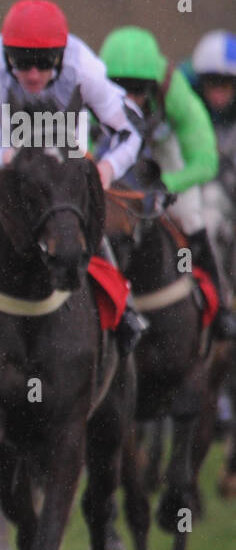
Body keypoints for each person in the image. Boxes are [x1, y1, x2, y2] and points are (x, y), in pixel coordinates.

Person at [0, 0, 147, 350]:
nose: (34, 74)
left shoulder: (84, 67)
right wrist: (9, 157)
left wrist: (105, 168)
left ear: (62, 57)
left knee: (81, 212)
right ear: (7, 58)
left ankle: (125, 310)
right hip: (10, 143)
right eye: (23, 64)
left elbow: (131, 130)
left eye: (44, 63)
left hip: (65, 138)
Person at [98, 26, 236, 339]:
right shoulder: (90, 90)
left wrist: (165, 185)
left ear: (155, 85)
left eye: (137, 88)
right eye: (118, 87)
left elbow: (205, 162)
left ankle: (220, 310)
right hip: (113, 148)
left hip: (162, 150)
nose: (128, 98)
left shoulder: (176, 95)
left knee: (192, 214)